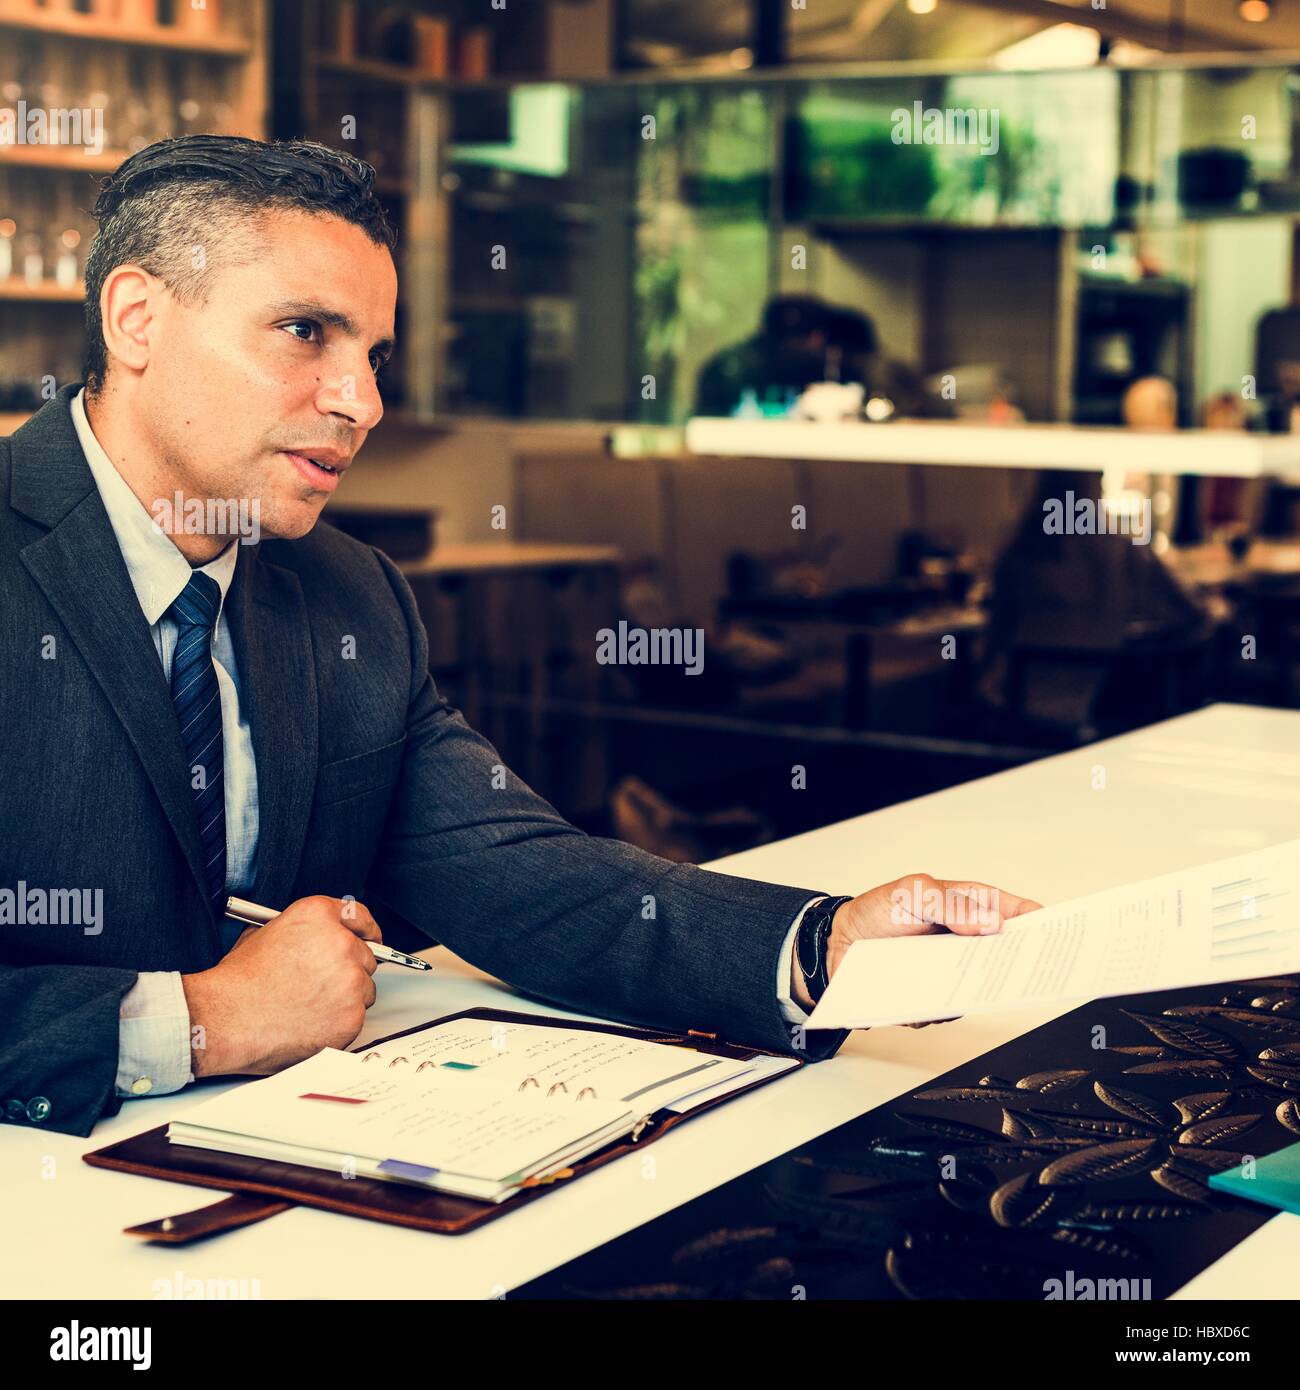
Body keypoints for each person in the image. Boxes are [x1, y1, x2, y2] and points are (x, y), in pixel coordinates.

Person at [0, 137, 1039, 1137]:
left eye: (374, 353)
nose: (359, 401)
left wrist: (824, 944)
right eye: (304, 332)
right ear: (136, 320)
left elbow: (521, 875)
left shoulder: (350, 594)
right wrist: (199, 1020)